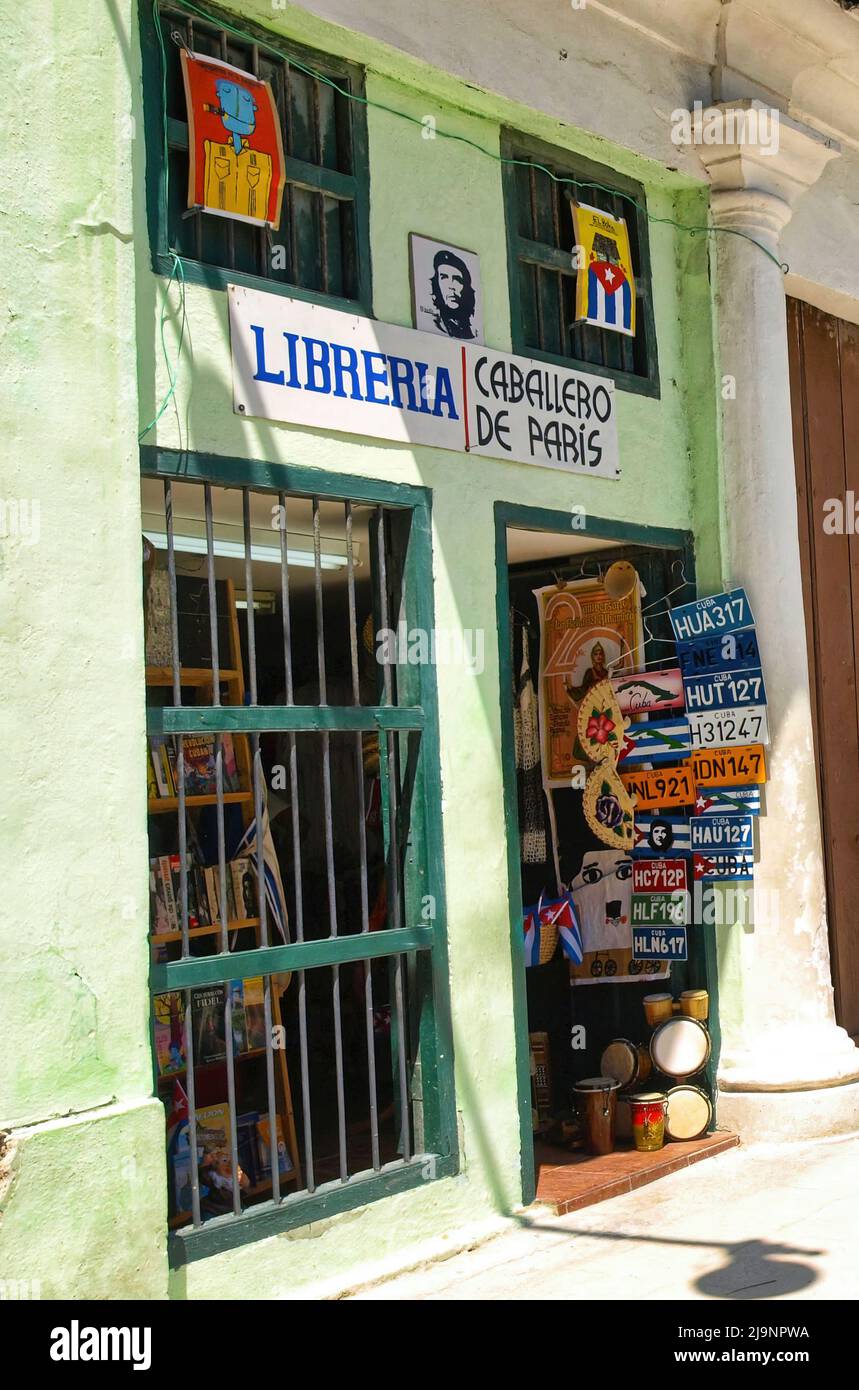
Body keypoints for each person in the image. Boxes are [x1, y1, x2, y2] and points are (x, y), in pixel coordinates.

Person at [429, 249, 477, 339]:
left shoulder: (471, 331)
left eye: (457, 279)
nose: (451, 286)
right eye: (444, 277)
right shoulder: (435, 323)